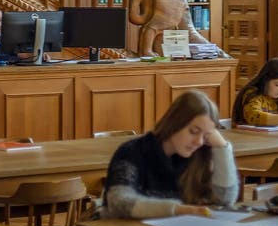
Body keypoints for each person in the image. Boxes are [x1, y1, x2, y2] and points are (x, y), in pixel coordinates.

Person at [102, 89, 239, 219]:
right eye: (193, 131)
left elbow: (225, 200)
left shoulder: (198, 154)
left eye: (206, 136)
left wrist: (222, 148)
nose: (199, 142)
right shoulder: (132, 152)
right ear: (175, 123)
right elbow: (120, 203)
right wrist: (178, 210)